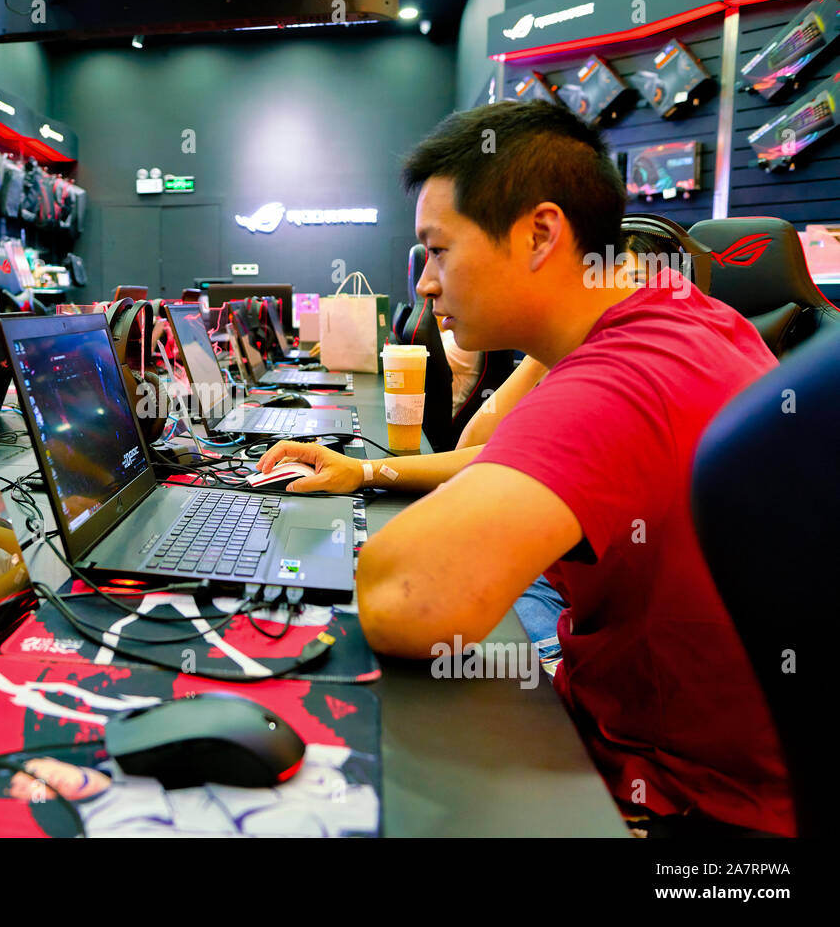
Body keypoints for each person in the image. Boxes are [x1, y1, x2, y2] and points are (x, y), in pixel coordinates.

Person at [257, 101, 792, 836]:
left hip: (697, 811)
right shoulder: (679, 311)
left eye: (439, 252)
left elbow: (405, 596)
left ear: (540, 233)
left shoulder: (626, 377)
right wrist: (368, 476)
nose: (425, 285)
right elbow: (535, 460)